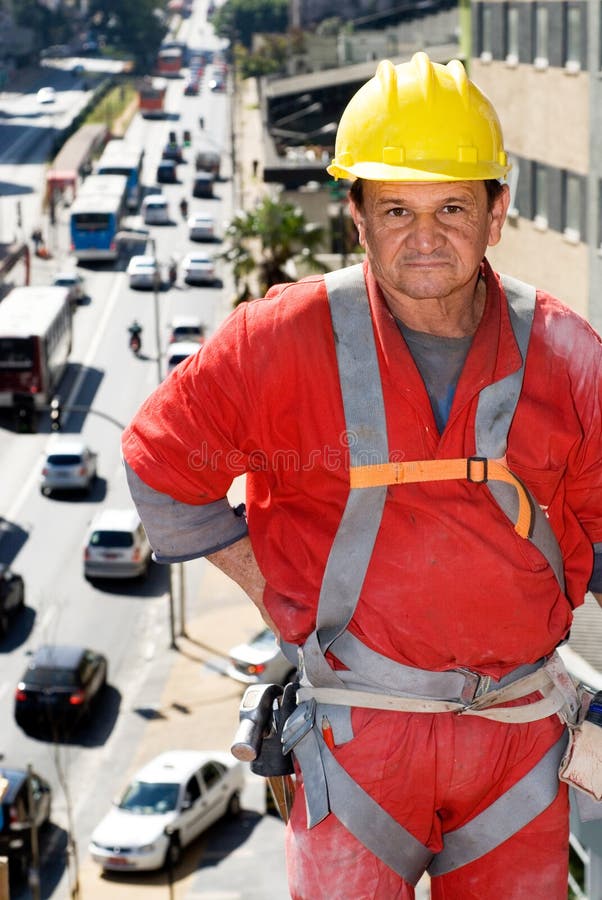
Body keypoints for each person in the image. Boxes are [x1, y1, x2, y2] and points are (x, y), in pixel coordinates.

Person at [122, 52, 602, 899]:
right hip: (356, 738)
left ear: (498, 212)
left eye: (452, 205)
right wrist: (274, 589)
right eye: (396, 209)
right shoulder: (276, 342)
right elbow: (161, 464)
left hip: (520, 738)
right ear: (356, 217)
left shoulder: (567, 356)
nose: (425, 236)